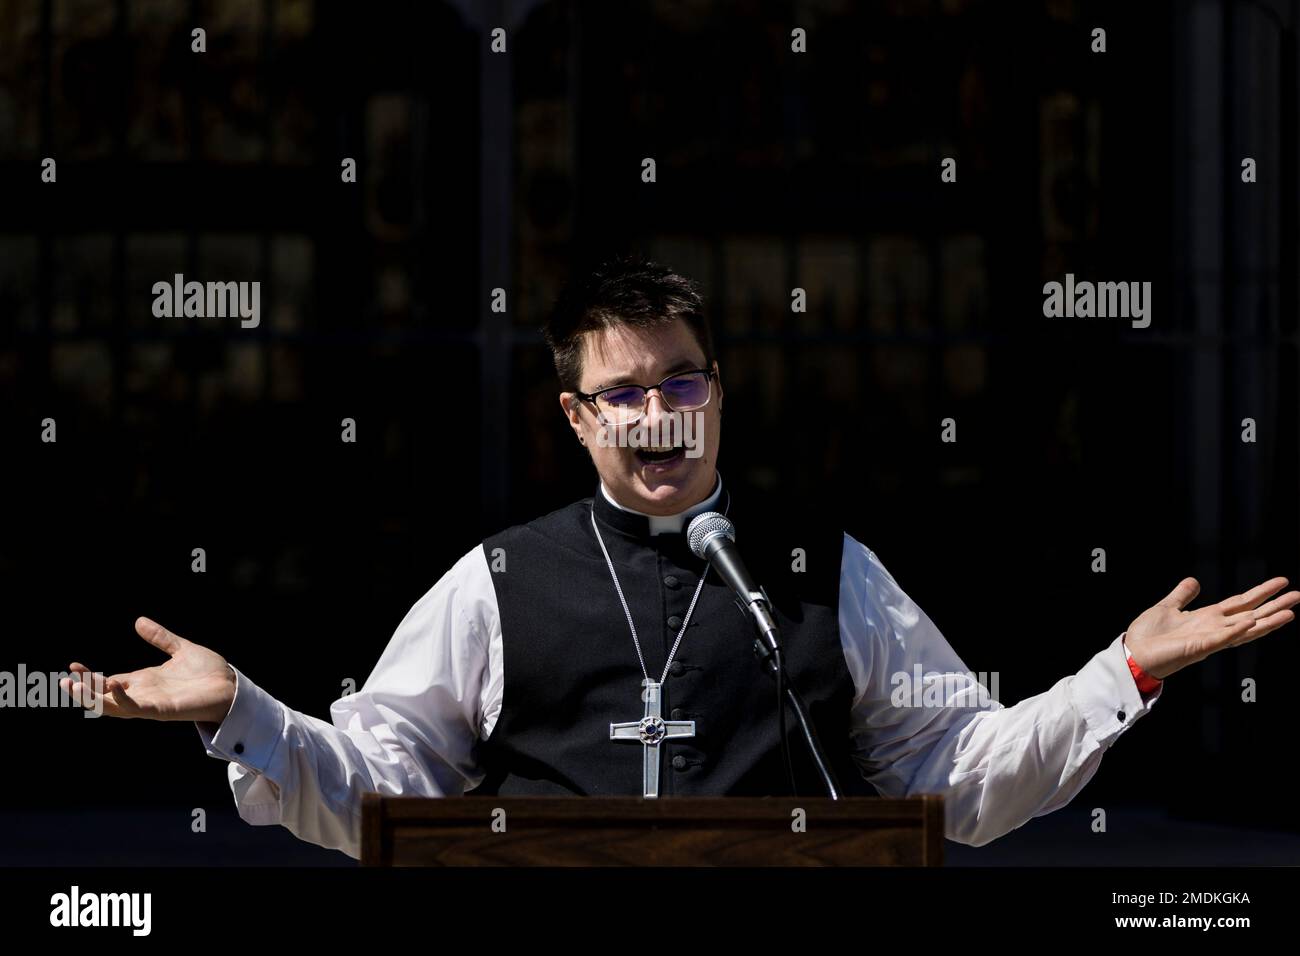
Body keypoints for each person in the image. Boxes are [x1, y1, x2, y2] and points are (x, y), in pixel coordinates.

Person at [61, 254, 1299, 860]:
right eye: (624, 392)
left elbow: (962, 777)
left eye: (683, 381)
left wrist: (1119, 672)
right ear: (574, 416)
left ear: (719, 392)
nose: (658, 414)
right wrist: (247, 712)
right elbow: (384, 785)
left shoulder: (824, 571)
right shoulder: (495, 578)